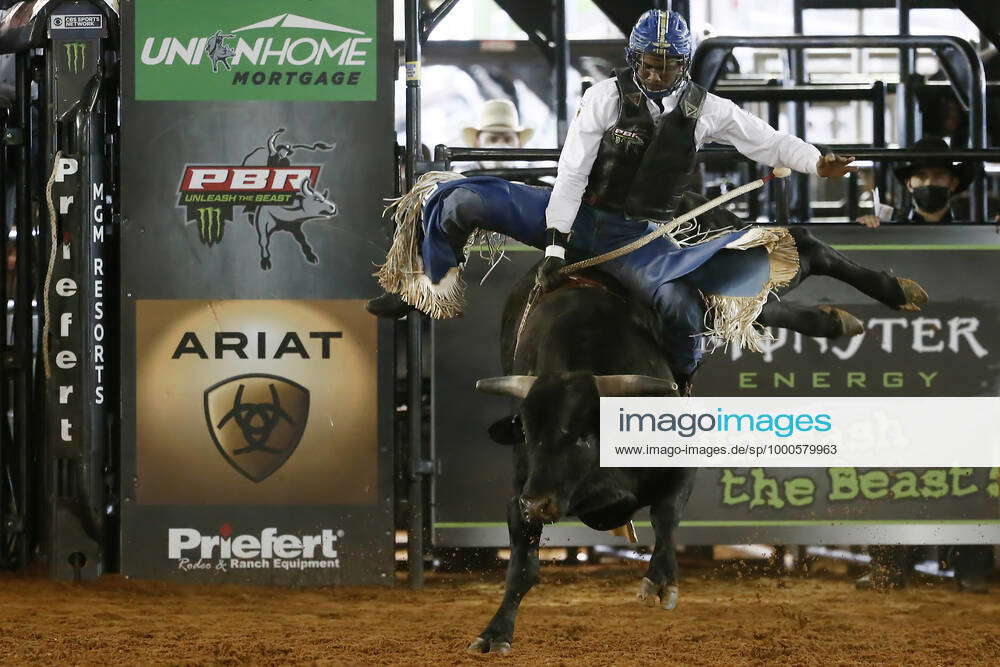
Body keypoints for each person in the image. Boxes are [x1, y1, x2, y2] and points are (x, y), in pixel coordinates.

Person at [369, 10, 912, 393]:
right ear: (633, 59)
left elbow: (766, 141)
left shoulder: (709, 110)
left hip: (639, 239)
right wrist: (556, 240)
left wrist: (818, 161)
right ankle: (427, 286)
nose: (656, 73)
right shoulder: (604, 97)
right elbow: (573, 169)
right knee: (458, 197)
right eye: (648, 63)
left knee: (680, 308)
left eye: (668, 65)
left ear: (684, 64)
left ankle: (678, 388)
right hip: (576, 214)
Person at [857, 137, 979, 227]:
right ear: (909, 184)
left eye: (938, 175)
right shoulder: (890, 226)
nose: (929, 182)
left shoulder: (971, 228)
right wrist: (864, 228)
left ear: (953, 183)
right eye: (921, 176)